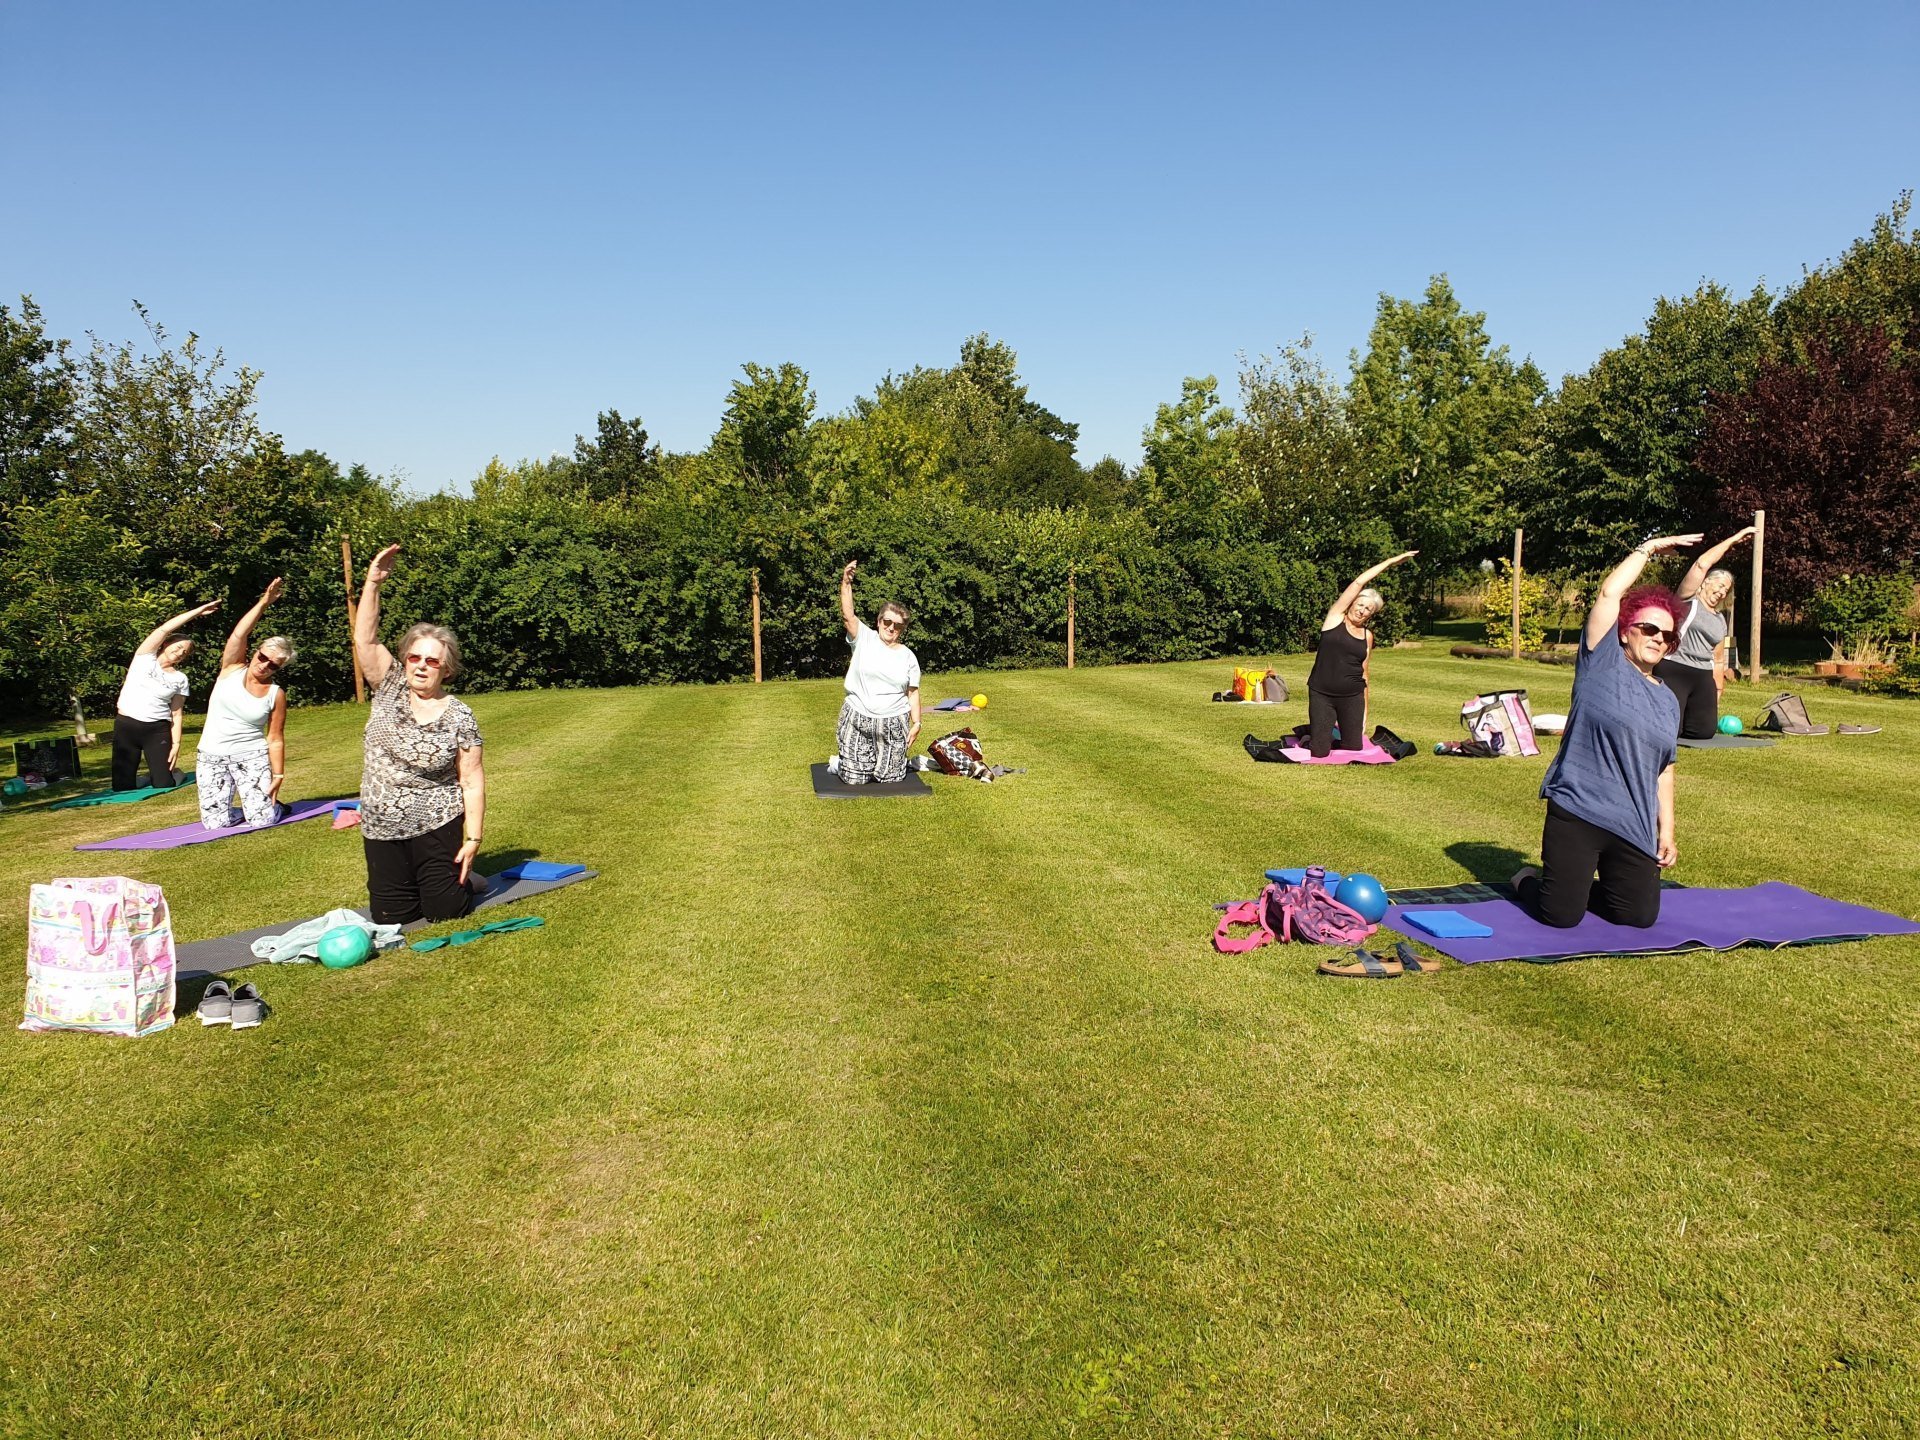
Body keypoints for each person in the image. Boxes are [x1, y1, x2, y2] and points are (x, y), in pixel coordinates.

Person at [1514, 535, 1701, 929]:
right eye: (1648, 628)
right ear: (1623, 631)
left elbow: (1665, 767)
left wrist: (1667, 830)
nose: (1657, 638)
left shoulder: (1668, 700)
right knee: (1561, 916)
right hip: (1579, 810)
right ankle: (1529, 881)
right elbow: (1608, 592)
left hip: (1632, 820)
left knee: (1638, 916)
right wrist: (1647, 549)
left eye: (1667, 636)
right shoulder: (1601, 663)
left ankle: (1579, 889)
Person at [353, 543, 487, 925]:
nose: (422, 666)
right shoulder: (389, 685)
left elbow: (472, 780)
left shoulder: (460, 715)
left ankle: (464, 881)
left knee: (444, 912)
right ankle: (418, 879)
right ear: (405, 660)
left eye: (433, 661)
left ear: (446, 669)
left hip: (436, 820)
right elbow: (365, 640)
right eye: (415, 657)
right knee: (391, 917)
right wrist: (373, 583)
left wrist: (473, 839)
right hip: (380, 823)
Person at [196, 579, 295, 829]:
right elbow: (239, 633)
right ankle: (248, 804)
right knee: (215, 825)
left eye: (273, 664)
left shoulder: (275, 693)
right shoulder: (231, 668)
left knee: (261, 821)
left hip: (251, 756)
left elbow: (275, 738)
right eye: (263, 657)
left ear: (279, 668)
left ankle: (270, 806)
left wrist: (279, 775)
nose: (264, 665)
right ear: (255, 653)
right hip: (210, 756)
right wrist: (264, 603)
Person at [1305, 551, 1417, 757]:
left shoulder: (1367, 636)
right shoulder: (1335, 618)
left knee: (1354, 748)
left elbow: (1364, 672)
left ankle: (1336, 729)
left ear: (1371, 615)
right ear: (1352, 604)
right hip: (1322, 693)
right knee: (1319, 752)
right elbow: (1358, 582)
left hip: (1352, 695)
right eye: (1360, 605)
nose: (1362, 610)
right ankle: (1312, 733)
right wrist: (1391, 562)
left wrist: (1365, 709)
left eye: (1369, 609)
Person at [1656, 525, 1754, 739]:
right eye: (1718, 585)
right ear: (1703, 584)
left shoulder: (1720, 620)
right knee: (1669, 730)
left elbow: (1718, 659)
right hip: (1674, 668)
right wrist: (1733, 540)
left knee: (1704, 732)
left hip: (1701, 674)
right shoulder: (1686, 602)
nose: (1720, 592)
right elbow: (1702, 564)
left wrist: (1717, 689)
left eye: (1725, 590)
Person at [113, 601, 218, 790]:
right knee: (121, 787)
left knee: (163, 784)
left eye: (184, 653)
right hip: (126, 725)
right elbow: (164, 629)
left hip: (156, 730)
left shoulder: (180, 678)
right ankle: (145, 777)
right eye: (177, 647)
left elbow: (176, 713)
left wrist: (176, 744)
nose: (179, 653)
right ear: (166, 644)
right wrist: (197, 612)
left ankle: (175, 773)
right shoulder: (144, 657)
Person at [835, 560, 921, 784]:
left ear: (902, 629)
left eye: (898, 625)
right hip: (858, 716)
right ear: (879, 621)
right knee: (855, 780)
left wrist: (917, 723)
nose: (891, 628)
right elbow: (848, 615)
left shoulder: (908, 656)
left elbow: (913, 693)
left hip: (892, 722)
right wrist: (846, 582)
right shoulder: (864, 637)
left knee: (890, 780)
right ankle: (844, 762)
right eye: (887, 622)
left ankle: (884, 760)